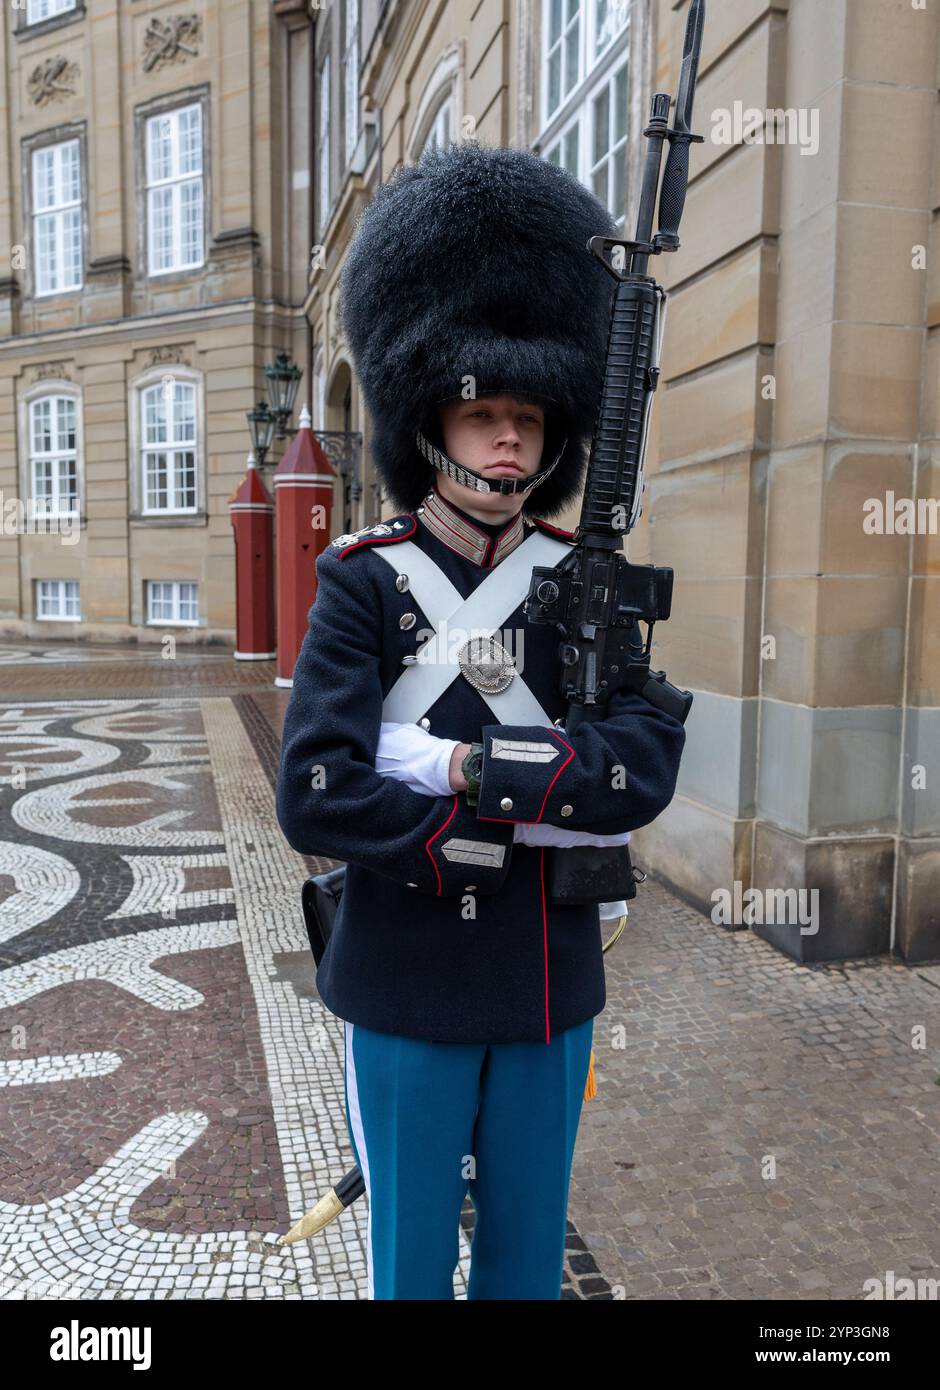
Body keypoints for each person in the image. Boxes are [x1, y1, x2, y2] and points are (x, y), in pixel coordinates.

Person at [275, 140, 686, 1300]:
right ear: (429, 422)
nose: (506, 437)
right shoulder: (364, 580)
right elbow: (315, 788)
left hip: (547, 979)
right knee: (409, 1268)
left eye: (525, 415)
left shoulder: (582, 578)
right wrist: (506, 808)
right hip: (403, 976)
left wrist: (453, 767)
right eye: (480, 414)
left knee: (522, 1268)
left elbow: (640, 768)